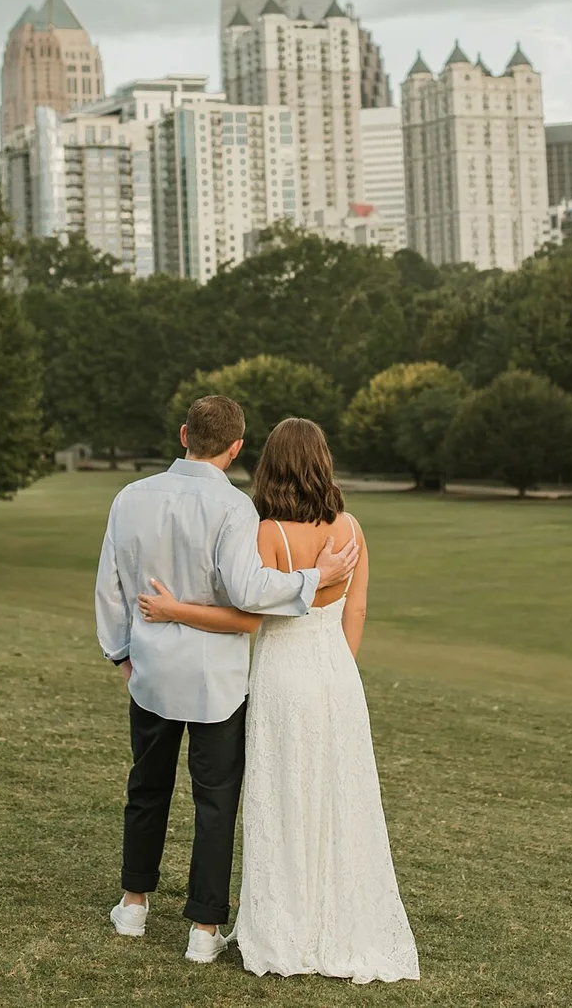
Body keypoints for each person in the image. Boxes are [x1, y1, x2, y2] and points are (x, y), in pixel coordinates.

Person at [139, 417, 419, 983]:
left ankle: (284, 929)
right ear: (323, 463)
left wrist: (173, 611)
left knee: (283, 800)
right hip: (337, 677)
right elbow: (357, 608)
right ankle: (338, 926)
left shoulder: (267, 532)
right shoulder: (352, 528)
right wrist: (335, 665)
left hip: (283, 677)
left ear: (270, 466)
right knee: (337, 801)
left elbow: (247, 615)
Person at [94, 395, 359, 964]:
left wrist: (121, 656)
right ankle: (204, 929)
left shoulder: (130, 497)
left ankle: (134, 905)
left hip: (151, 672)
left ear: (183, 433)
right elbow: (248, 592)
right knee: (215, 802)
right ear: (236, 448)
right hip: (217, 680)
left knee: (146, 787)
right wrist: (315, 577)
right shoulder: (236, 508)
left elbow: (109, 584)